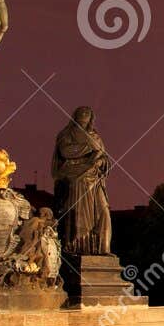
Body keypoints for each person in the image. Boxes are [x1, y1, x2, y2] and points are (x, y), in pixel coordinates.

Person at [51, 106, 112, 257]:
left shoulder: (95, 136)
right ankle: (79, 247)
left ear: (91, 118)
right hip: (76, 177)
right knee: (80, 212)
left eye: (87, 113)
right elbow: (65, 151)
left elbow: (104, 157)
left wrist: (100, 162)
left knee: (104, 211)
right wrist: (88, 148)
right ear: (75, 116)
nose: (84, 115)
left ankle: (102, 248)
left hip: (95, 178)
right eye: (82, 113)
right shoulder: (67, 134)